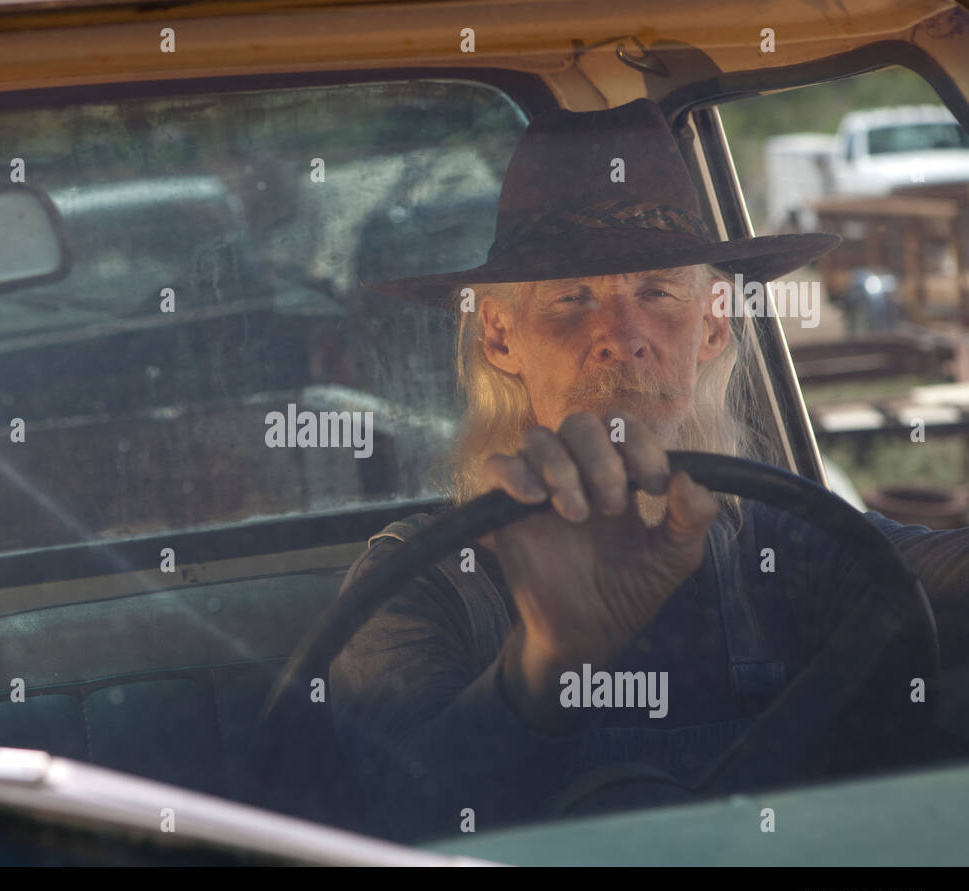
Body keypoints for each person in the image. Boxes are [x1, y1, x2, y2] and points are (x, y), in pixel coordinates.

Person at [331, 98, 969, 844]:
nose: (622, 338)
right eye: (572, 298)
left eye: (658, 293)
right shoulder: (424, 580)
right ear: (501, 336)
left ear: (713, 324)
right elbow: (388, 820)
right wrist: (545, 667)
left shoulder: (794, 545)